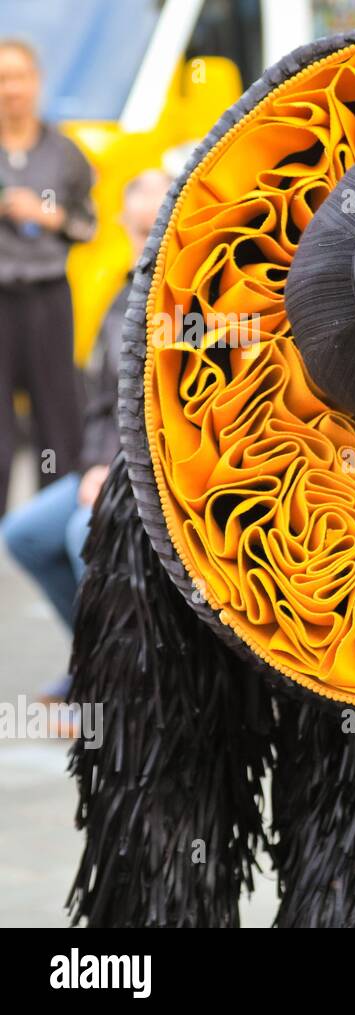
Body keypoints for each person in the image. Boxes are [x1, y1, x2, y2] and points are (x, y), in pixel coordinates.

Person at [2, 169, 170, 705]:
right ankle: (90, 657)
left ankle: (118, 686)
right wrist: (94, 464)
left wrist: (109, 471)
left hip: (148, 474)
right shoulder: (122, 290)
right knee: (23, 533)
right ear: (122, 223)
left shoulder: (180, 300)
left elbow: (161, 412)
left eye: (156, 226)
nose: (146, 239)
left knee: (83, 535)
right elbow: (102, 403)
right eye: (138, 227)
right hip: (102, 463)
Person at [0, 37, 96, 510]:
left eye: (18, 77)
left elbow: (90, 225)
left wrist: (49, 215)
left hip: (47, 300)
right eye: (2, 79)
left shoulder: (64, 153)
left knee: (56, 424)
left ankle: (54, 531)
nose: (10, 89)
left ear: (35, 83)